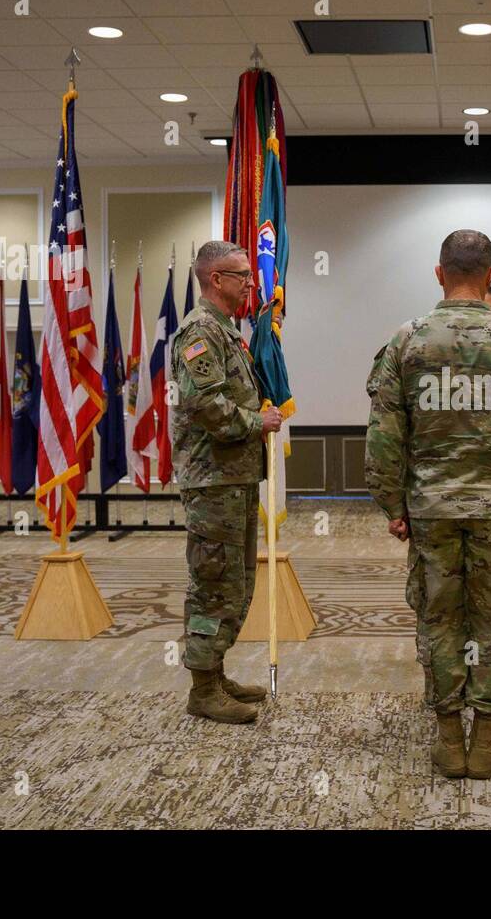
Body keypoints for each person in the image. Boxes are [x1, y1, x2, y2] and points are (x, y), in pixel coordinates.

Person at [365, 229, 491, 778]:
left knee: (440, 615)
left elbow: (383, 436)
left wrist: (393, 504)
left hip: (430, 509)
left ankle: (450, 740)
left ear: (439, 273)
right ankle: (486, 741)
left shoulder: (407, 341)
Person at [172, 239, 283, 724]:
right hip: (213, 480)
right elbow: (206, 405)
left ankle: (214, 674)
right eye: (242, 275)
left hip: (232, 477)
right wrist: (258, 422)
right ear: (216, 279)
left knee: (234, 581)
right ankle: (202, 689)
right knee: (213, 582)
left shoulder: (225, 330)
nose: (250, 284)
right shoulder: (200, 332)